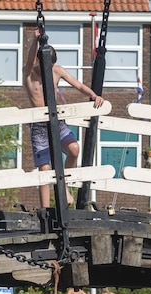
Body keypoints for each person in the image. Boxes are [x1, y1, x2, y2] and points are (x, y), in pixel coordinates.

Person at [24, 28, 105, 209]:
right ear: (39, 61)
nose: (48, 71)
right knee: (45, 170)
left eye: (50, 67)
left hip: (57, 122)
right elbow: (30, 60)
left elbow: (77, 84)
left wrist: (94, 96)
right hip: (39, 125)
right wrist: (35, 40)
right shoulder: (29, 73)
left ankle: (64, 186)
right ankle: (44, 210)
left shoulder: (56, 71)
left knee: (74, 149)